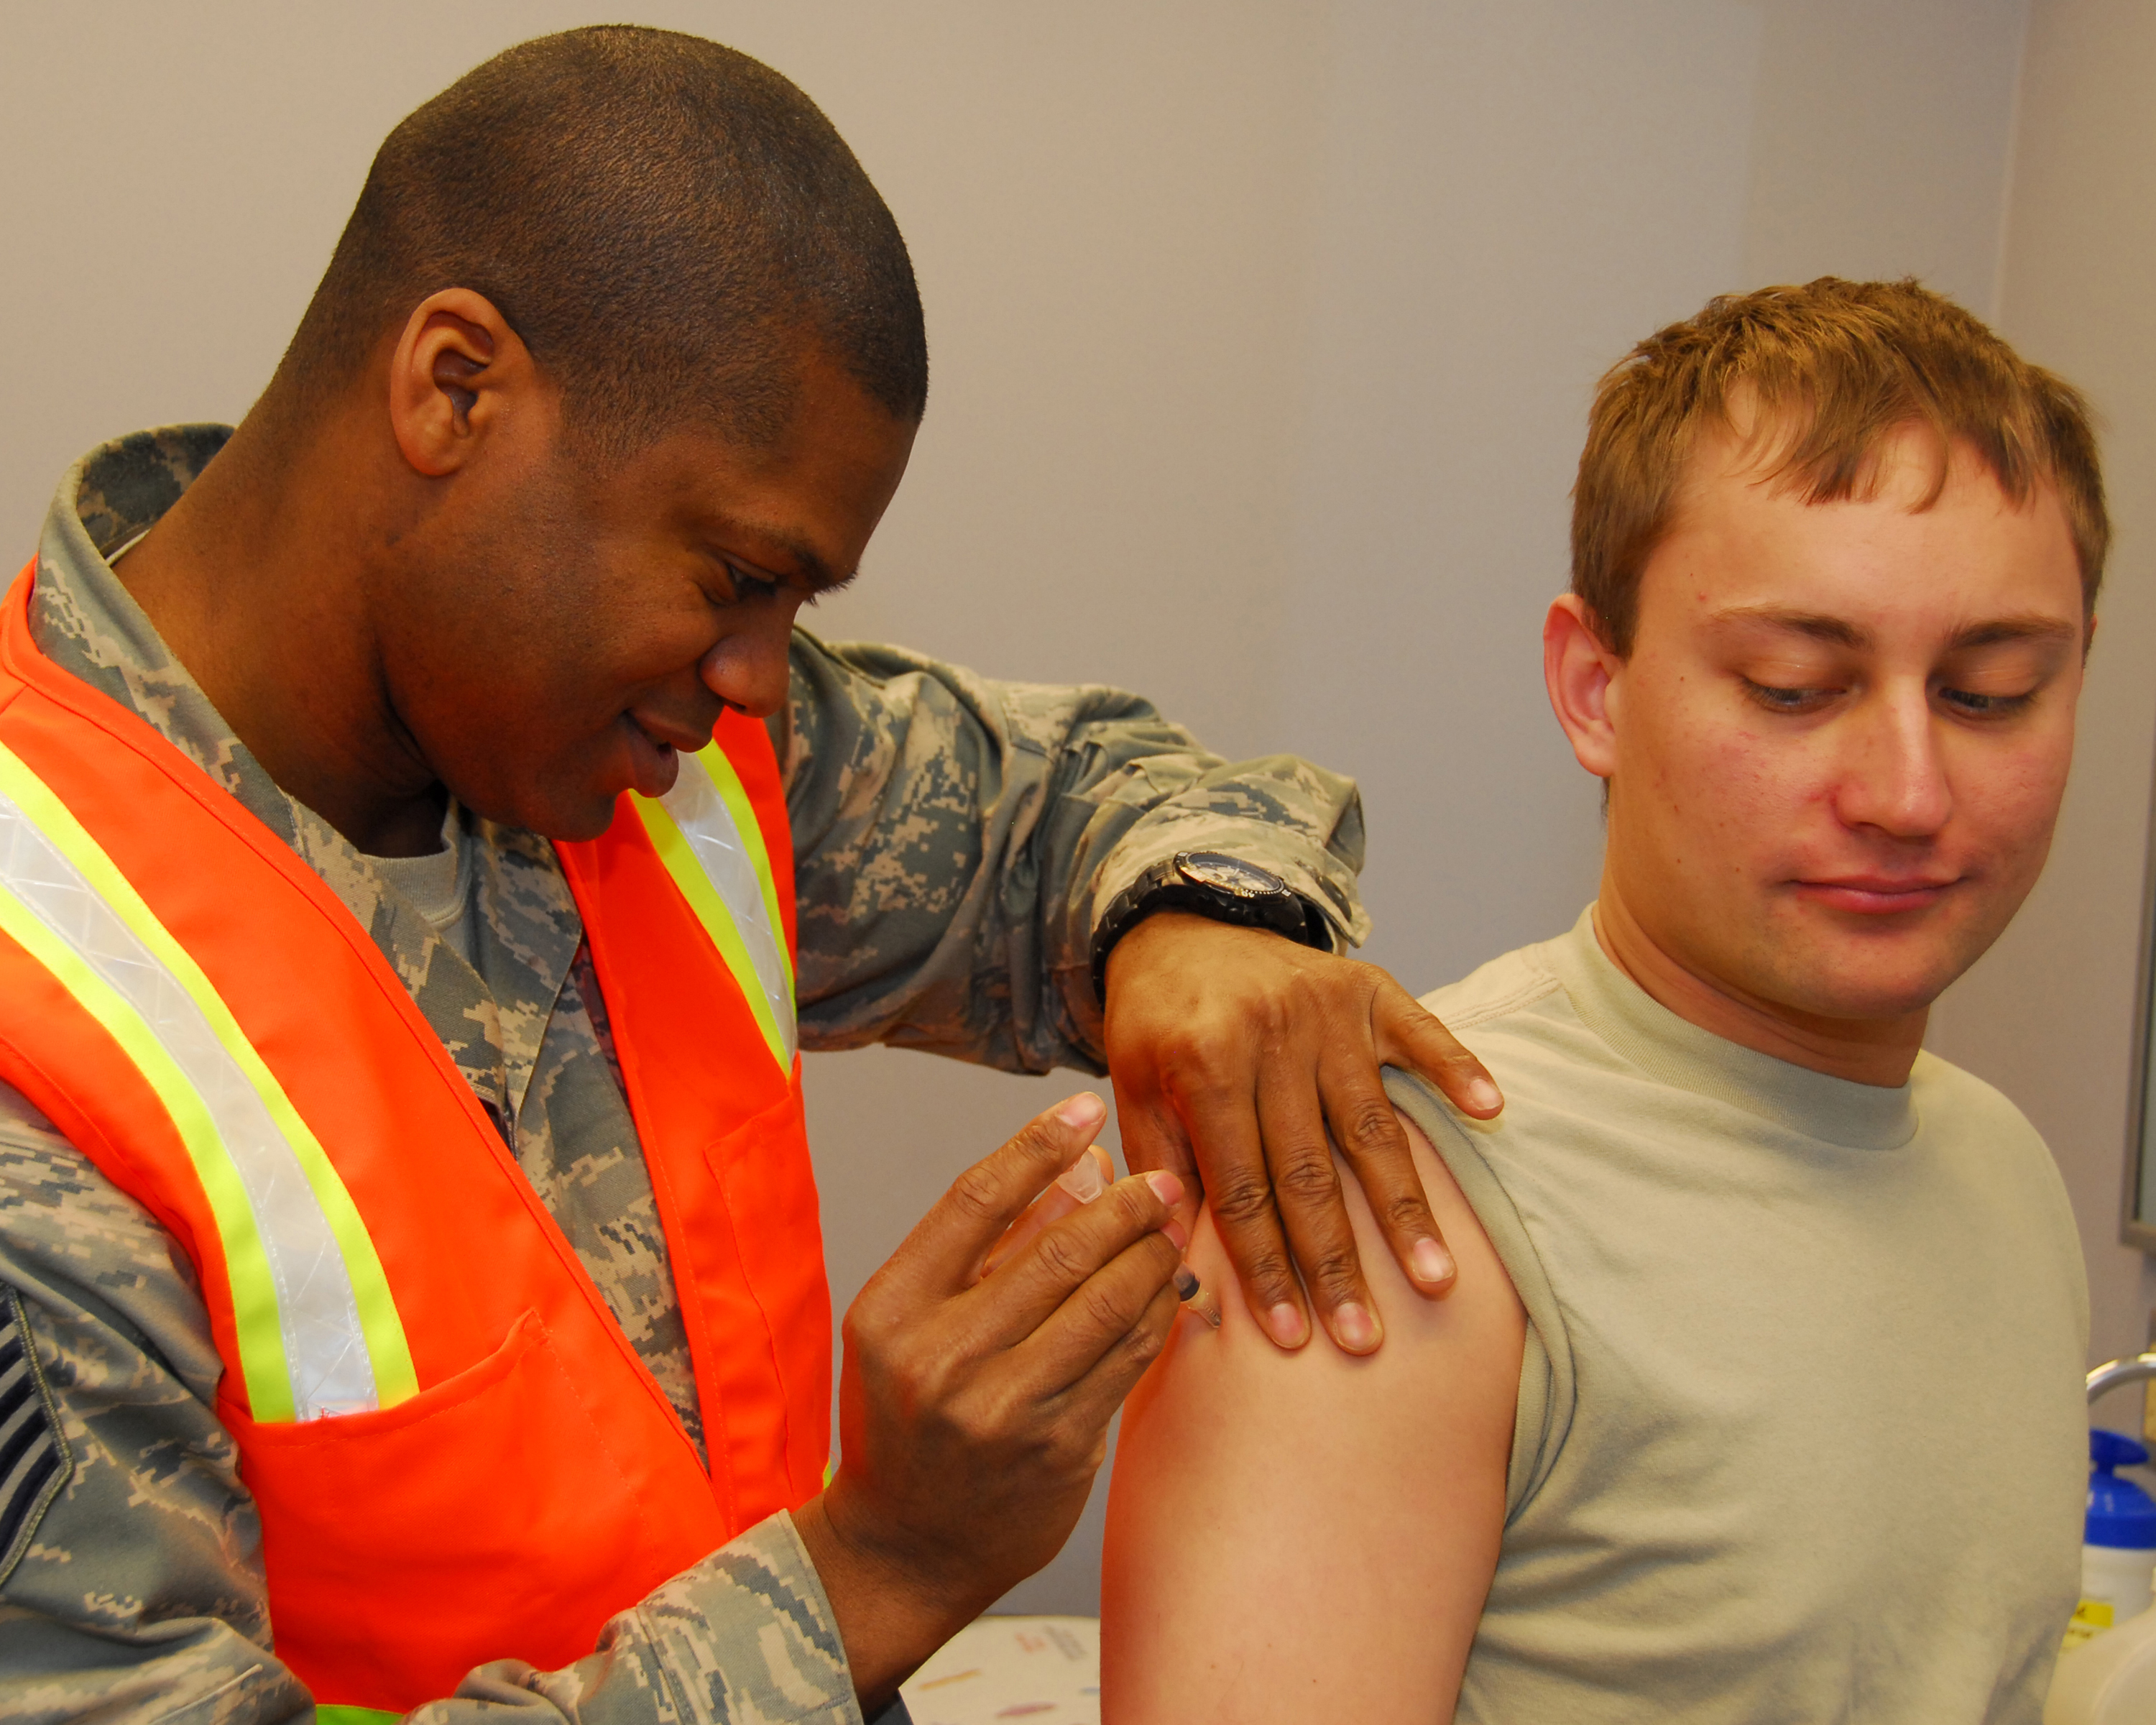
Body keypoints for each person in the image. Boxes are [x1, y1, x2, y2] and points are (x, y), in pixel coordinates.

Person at [0, 27, 1505, 1725]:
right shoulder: (38, 1025)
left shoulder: (649, 747)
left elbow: (1097, 799)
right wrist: (879, 1569)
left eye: (799, 610)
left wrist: (1202, 931)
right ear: (453, 391)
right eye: (733, 576)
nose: (760, 684)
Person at [1102, 277, 2101, 1723]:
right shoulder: (1391, 1203)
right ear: (1594, 688)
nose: (1909, 794)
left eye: (1993, 693)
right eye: (1794, 686)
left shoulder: (2003, 1166)